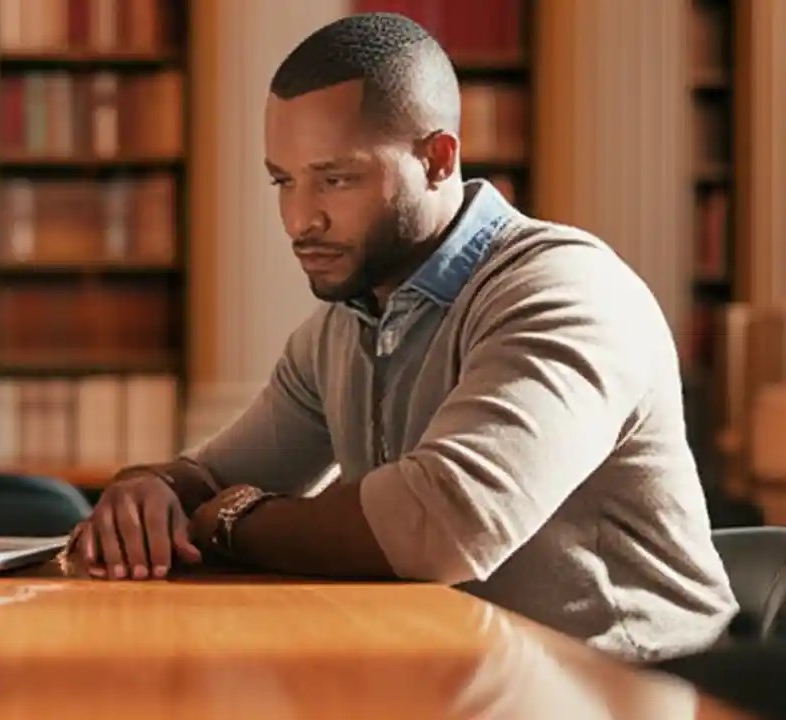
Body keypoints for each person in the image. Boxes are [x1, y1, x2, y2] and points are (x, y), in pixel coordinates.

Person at [61, 12, 737, 662]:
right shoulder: (343, 324)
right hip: (466, 678)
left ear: (438, 158)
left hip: (643, 691)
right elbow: (213, 475)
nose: (299, 219)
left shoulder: (565, 291)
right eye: (282, 181)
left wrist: (223, 520)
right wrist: (147, 492)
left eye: (335, 179)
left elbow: (443, 527)